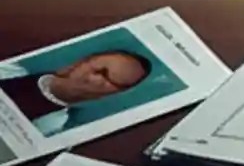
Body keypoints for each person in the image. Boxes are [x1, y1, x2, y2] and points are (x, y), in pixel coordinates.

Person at [0, 50, 152, 136]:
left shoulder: (53, 125)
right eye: (100, 70)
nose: (95, 80)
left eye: (113, 83)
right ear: (79, 63)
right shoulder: (9, 70)